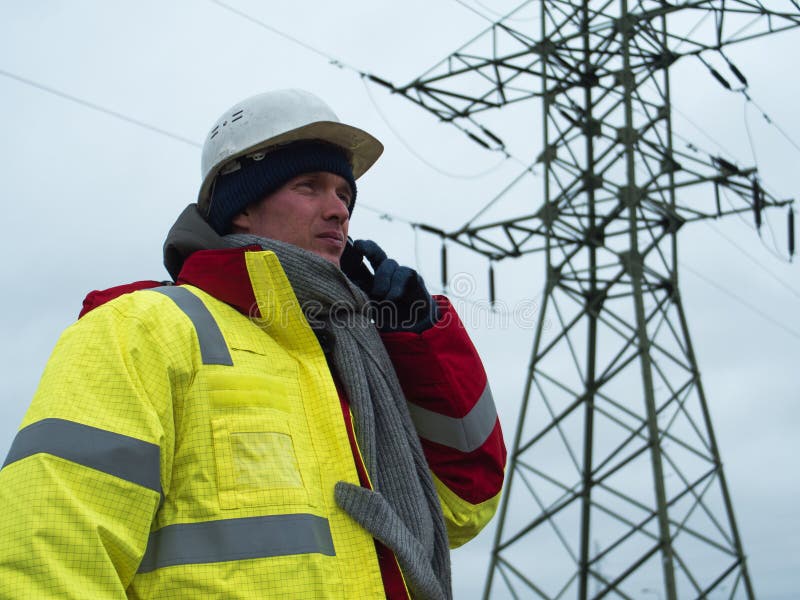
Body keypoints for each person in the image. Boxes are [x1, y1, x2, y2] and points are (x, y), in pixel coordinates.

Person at [0, 89, 505, 599]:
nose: (338, 212)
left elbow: (461, 507)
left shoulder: (352, 356)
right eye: (310, 186)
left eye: (344, 195)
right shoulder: (145, 327)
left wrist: (420, 342)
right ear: (242, 207)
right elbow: (52, 549)